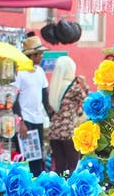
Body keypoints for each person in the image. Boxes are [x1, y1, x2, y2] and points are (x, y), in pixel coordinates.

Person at [13, 35, 53, 177]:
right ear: (33, 55)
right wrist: (21, 122)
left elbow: (44, 96)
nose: (42, 56)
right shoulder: (19, 73)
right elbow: (14, 100)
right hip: (26, 120)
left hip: (38, 120)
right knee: (26, 157)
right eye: (40, 54)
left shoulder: (40, 72)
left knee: (37, 157)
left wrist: (51, 117)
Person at [47, 55, 88, 175]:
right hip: (68, 131)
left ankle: (56, 185)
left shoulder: (54, 87)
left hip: (54, 131)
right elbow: (88, 102)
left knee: (59, 165)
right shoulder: (73, 88)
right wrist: (84, 84)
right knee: (73, 166)